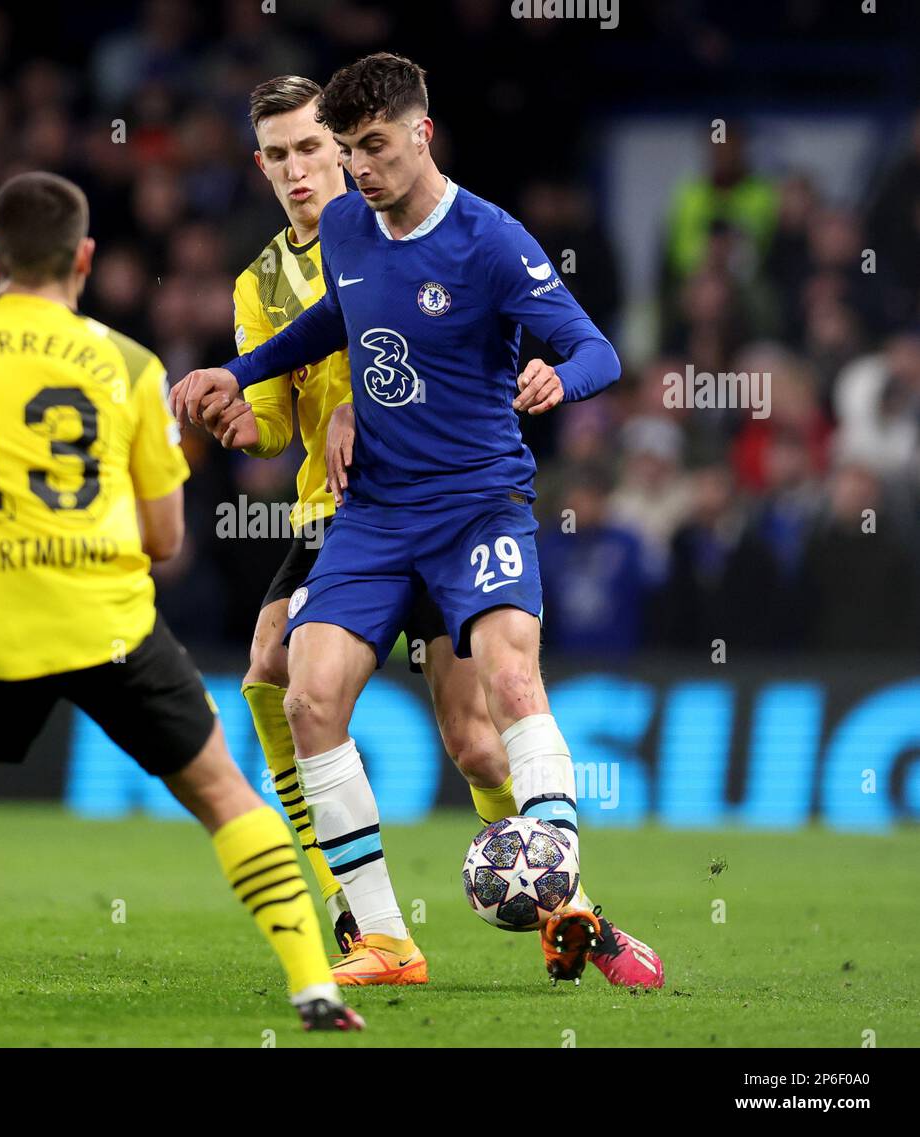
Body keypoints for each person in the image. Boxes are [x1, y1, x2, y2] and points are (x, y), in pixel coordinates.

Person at [0, 170, 363, 1030]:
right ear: (86, 259)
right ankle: (313, 982)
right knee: (222, 793)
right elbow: (168, 541)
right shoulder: (129, 364)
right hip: (108, 624)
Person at [172, 54, 663, 989]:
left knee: (504, 695)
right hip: (373, 510)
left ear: (420, 133)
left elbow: (596, 346)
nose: (357, 169)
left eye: (370, 146)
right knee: (304, 693)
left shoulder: (490, 239)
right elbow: (332, 324)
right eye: (344, 149)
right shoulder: (348, 228)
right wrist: (241, 374)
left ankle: (563, 882)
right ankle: (387, 940)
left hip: (478, 504)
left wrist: (562, 378)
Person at [205, 74, 525, 986]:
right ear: (259, 166)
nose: (299, 170)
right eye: (278, 156)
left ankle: (556, 892)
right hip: (336, 514)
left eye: (312, 147)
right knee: (272, 665)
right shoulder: (260, 280)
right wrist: (236, 416)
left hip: (440, 498)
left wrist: (363, 413)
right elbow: (270, 423)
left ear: (343, 146)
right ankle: (352, 905)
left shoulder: (401, 224)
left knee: (471, 739)